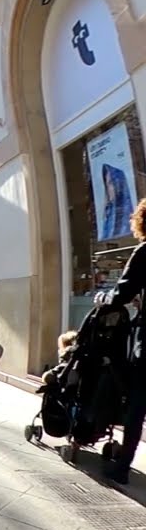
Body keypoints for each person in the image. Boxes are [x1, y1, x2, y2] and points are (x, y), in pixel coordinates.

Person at [104, 198, 146, 484]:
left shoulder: (145, 251)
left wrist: (105, 299)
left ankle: (122, 467)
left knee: (137, 405)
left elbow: (122, 292)